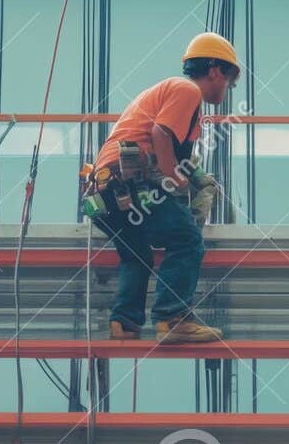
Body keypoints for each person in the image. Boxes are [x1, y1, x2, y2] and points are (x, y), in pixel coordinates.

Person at [81, 32, 238, 344]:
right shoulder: (187, 91)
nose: (228, 88)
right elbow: (161, 134)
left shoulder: (168, 96)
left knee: (137, 255)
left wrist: (196, 178)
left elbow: (179, 157)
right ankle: (172, 317)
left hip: (105, 194)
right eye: (229, 80)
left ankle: (124, 323)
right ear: (214, 71)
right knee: (187, 239)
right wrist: (176, 181)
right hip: (131, 185)